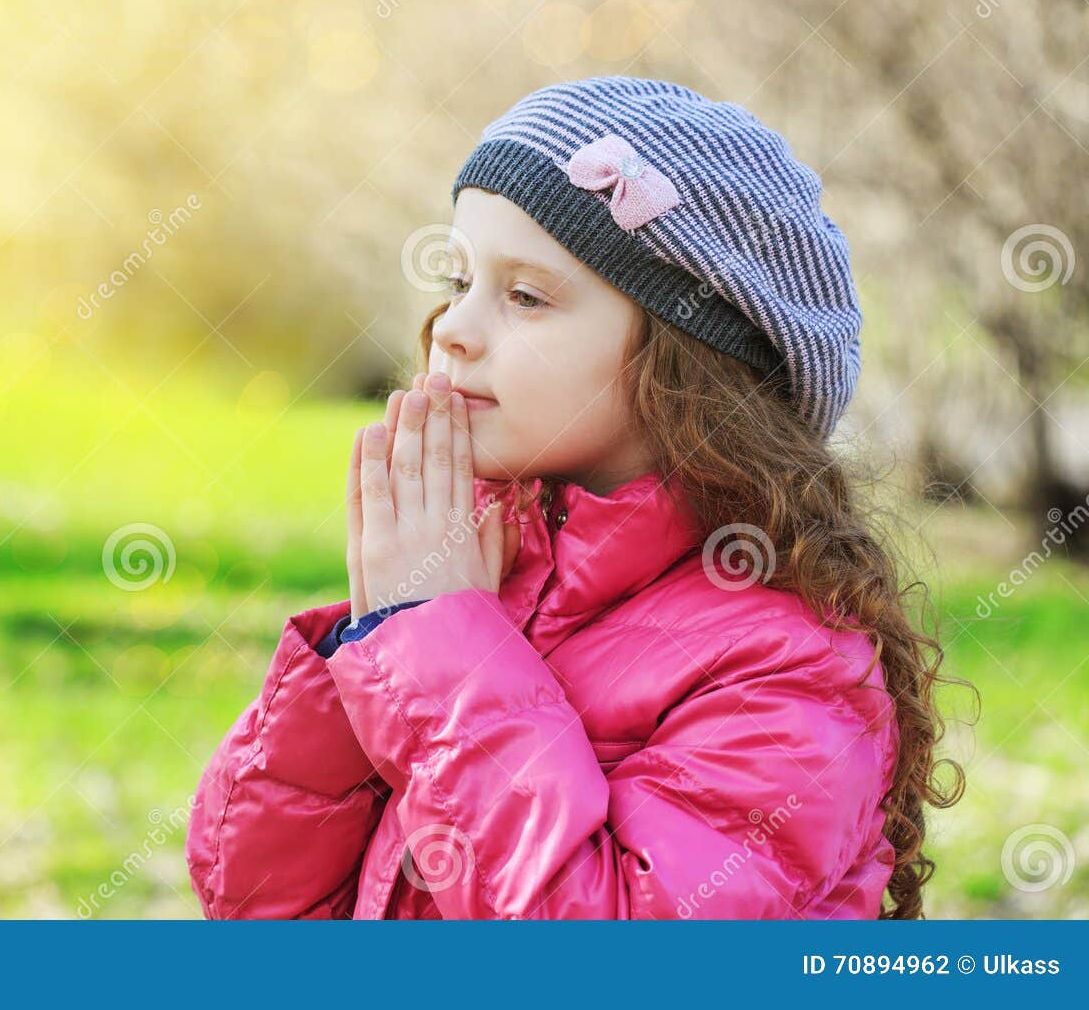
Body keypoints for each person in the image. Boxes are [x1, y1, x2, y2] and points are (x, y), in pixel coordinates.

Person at [184, 76, 961, 919]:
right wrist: (383, 641)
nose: (452, 328)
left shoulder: (789, 669)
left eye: (525, 295)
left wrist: (442, 655)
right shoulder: (483, 573)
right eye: (458, 280)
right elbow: (254, 902)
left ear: (684, 364)